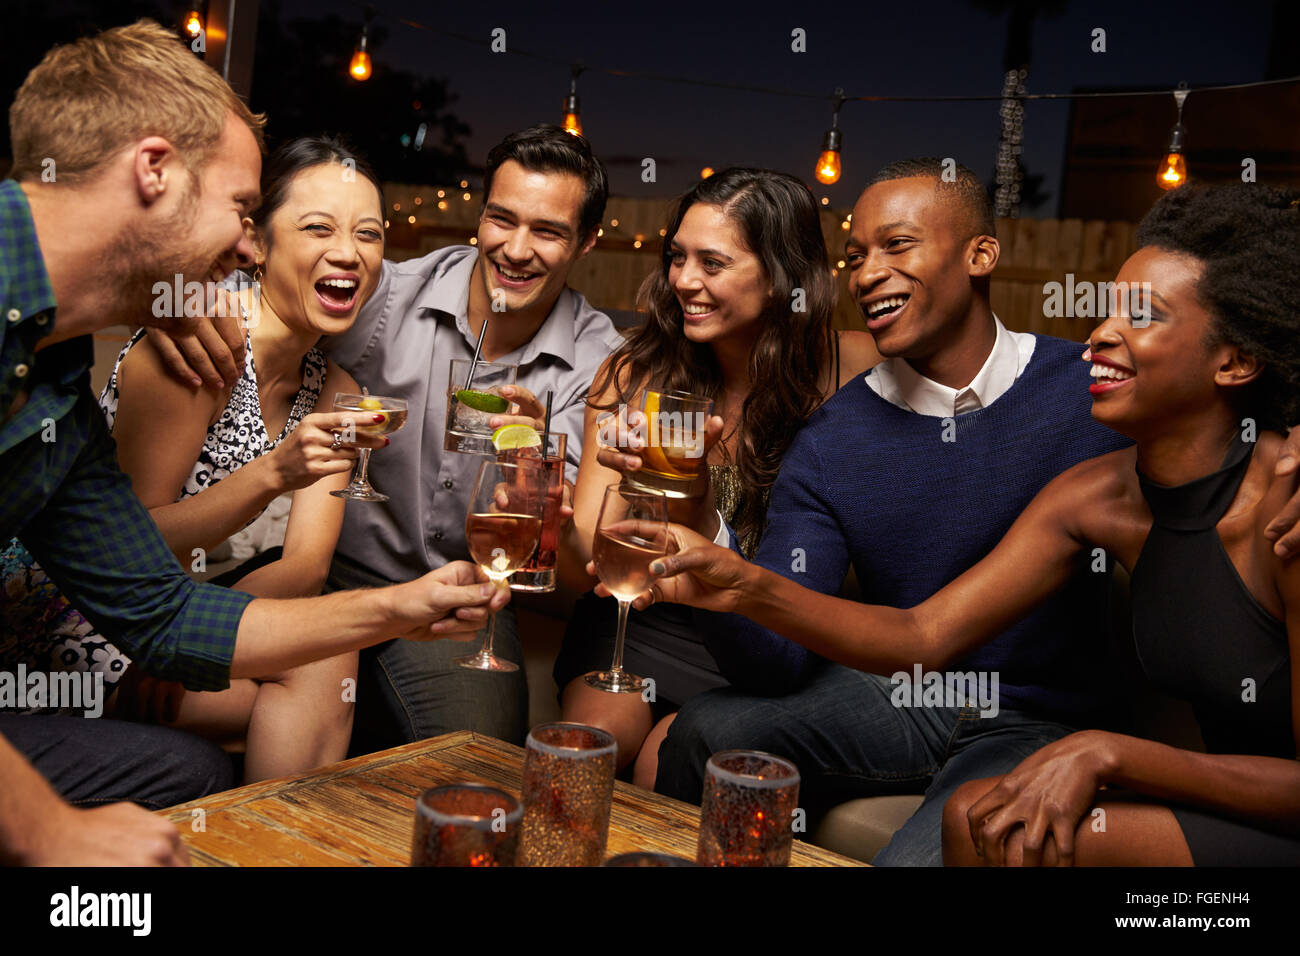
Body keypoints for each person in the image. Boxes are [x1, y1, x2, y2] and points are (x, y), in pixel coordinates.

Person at [614, 183, 1300, 866]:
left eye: (898, 244)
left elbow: (1243, 392)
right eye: (855, 254)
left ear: (980, 253)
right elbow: (910, 637)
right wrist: (732, 571)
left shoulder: (1094, 395)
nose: (869, 271)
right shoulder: (843, 442)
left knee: (951, 841)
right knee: (706, 728)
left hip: (1045, 719)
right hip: (906, 695)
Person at [0, 20, 503, 866]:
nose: (245, 245)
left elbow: (161, 610)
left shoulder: (55, 388)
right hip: (38, 658)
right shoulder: (172, 351)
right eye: (243, 209)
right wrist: (49, 834)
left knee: (185, 774)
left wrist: (400, 607)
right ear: (152, 171)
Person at [147, 125, 625, 748]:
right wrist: (168, 301)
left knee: (475, 753)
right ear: (479, 218)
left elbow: (574, 569)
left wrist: (536, 474)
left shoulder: (598, 362)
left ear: (586, 242)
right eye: (502, 220)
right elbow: (275, 291)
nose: (516, 248)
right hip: (331, 565)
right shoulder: (384, 295)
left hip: (457, 590)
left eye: (549, 232)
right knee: (315, 680)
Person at [3, 135, 390, 783]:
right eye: (318, 227)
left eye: (370, 234)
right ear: (258, 244)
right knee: (311, 684)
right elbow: (129, 544)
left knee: (328, 660)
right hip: (80, 611)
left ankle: (273, 848)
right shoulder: (195, 347)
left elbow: (304, 565)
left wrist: (192, 643)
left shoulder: (340, 389)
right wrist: (270, 477)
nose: (348, 252)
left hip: (175, 616)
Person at [555, 168, 878, 785]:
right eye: (677, 257)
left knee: (665, 768)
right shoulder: (636, 372)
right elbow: (589, 562)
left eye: (712, 262)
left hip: (768, 637)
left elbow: (868, 558)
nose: (683, 281)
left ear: (782, 276)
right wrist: (621, 486)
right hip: (644, 625)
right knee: (584, 753)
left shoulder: (854, 368)